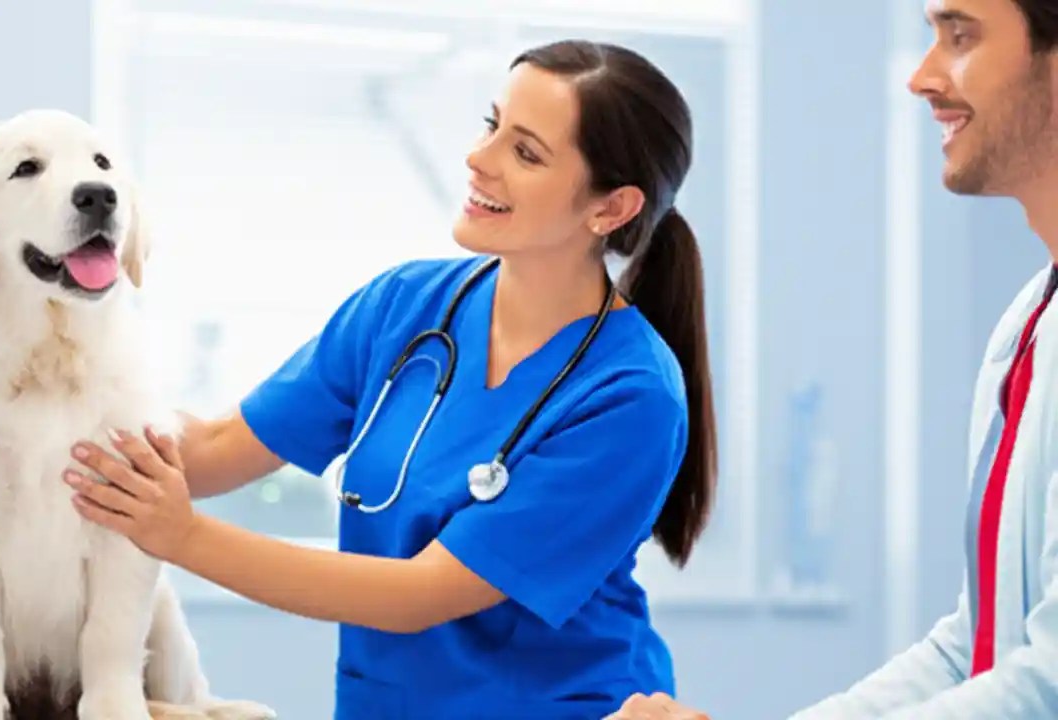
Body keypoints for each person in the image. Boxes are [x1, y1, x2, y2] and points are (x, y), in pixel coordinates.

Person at [61, 39, 718, 719]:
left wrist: (184, 537)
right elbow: (215, 448)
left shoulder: (630, 396)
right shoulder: (404, 307)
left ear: (609, 209)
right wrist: (56, 405)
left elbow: (421, 595)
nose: (477, 159)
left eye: (525, 153)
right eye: (492, 125)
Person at [610, 0, 1058, 718]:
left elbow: (1049, 683)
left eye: (961, 35)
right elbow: (976, 647)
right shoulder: (1026, 325)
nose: (921, 76)